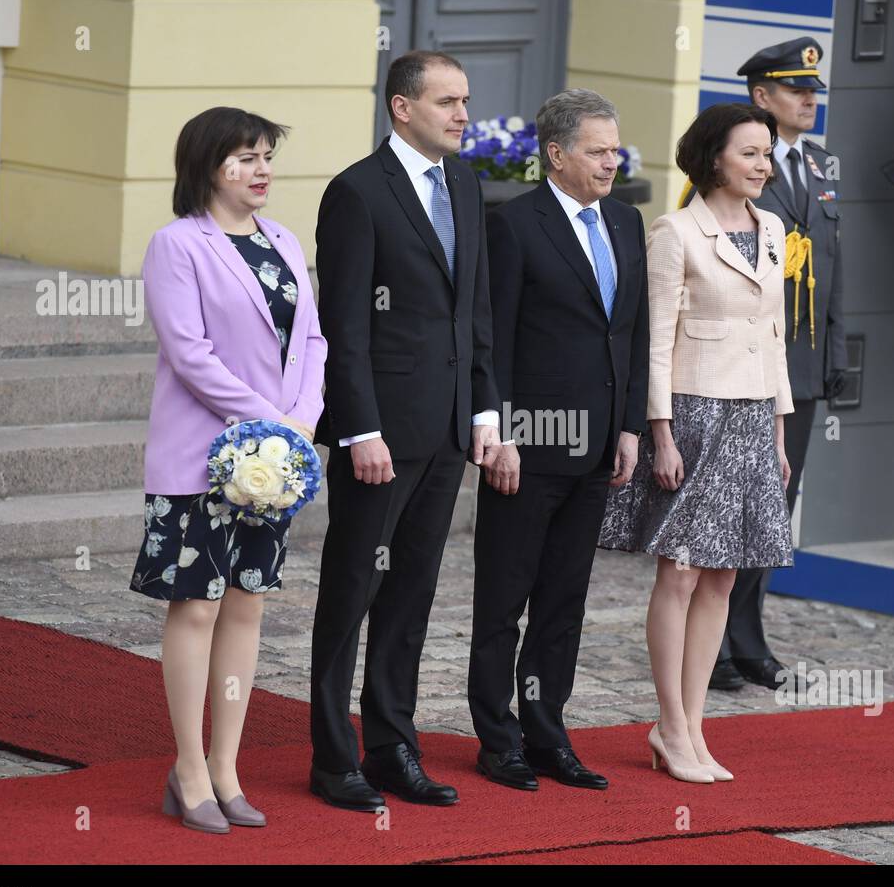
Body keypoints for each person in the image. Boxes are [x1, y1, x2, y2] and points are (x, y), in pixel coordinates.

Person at [309, 50, 501, 812]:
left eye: (465, 100)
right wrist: (360, 428)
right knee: (351, 589)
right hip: (381, 435)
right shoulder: (357, 192)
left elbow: (475, 310)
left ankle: (392, 746)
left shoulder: (465, 182)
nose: (463, 114)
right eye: (448, 101)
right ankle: (333, 758)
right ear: (401, 107)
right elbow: (342, 326)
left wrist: (485, 410)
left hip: (449, 428)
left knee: (413, 594)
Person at [132, 107, 327, 833]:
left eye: (266, 156)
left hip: (273, 462)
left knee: (248, 602)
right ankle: (187, 771)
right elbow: (189, 355)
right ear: (209, 166)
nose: (261, 170)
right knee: (198, 605)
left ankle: (226, 767)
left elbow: (312, 337)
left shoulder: (282, 239)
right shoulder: (177, 245)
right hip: (197, 460)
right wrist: (270, 420)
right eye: (246, 158)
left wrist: (302, 418)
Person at [598, 103, 794, 784]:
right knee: (679, 569)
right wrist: (660, 431)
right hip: (693, 412)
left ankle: (693, 729)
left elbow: (775, 334)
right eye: (750, 153)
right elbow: (655, 337)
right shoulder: (675, 230)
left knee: (725, 571)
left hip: (752, 415)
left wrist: (778, 426)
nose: (763, 165)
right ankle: (670, 724)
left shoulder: (773, 228)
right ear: (714, 159)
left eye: (767, 153)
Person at [468, 89, 649, 792]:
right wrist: (502, 431)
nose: (613, 161)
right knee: (504, 597)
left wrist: (629, 426)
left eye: (616, 148)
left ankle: (547, 731)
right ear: (557, 154)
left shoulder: (628, 222)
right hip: (530, 446)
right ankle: (496, 737)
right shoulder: (515, 225)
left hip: (598, 445)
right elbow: (494, 338)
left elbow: (628, 336)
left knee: (564, 600)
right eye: (599, 150)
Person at [710, 36, 848, 692]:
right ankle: (712, 646)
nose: (808, 99)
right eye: (796, 89)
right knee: (731, 505)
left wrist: (837, 353)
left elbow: (832, 269)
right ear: (760, 97)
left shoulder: (820, 167)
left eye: (813, 90)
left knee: (771, 507)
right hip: (746, 364)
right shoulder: (732, 165)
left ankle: (747, 636)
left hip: (801, 363)